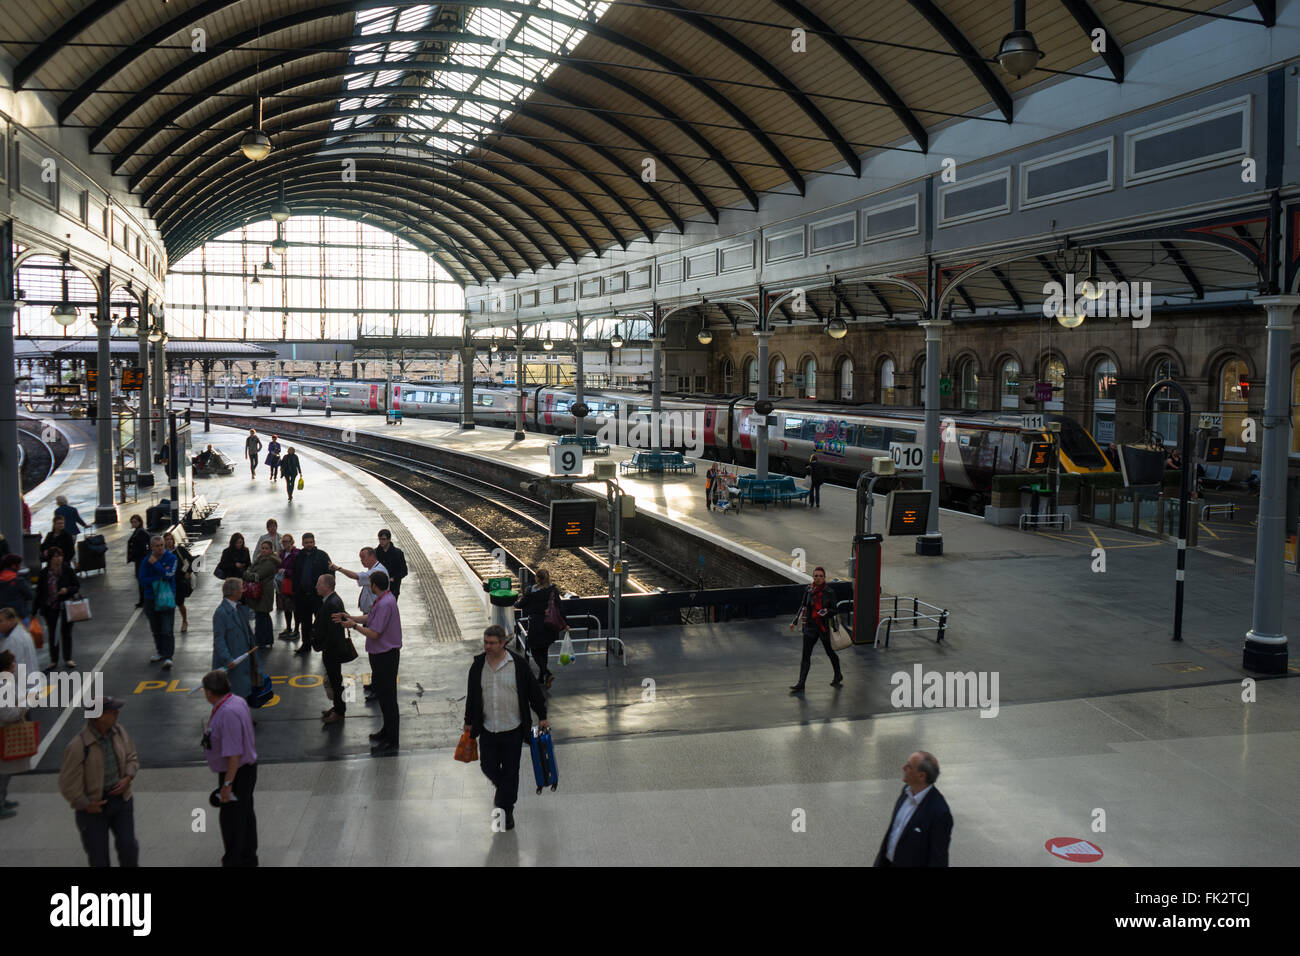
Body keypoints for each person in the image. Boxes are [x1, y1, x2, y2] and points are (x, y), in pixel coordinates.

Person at [462, 624, 549, 831]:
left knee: (511, 771)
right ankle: (505, 791)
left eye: (492, 643)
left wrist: (542, 715)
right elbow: (472, 696)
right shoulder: (478, 666)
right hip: (488, 728)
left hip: (513, 729)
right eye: (485, 642)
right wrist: (468, 721)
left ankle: (506, 810)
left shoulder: (517, 664)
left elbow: (533, 692)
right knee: (487, 766)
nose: (487, 646)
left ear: (503, 643)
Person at [57, 697, 140, 867]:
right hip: (93, 809)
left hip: (121, 801)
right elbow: (67, 783)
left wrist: (128, 777)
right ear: (98, 716)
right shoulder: (78, 746)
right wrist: (86, 804)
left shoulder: (119, 732)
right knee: (98, 857)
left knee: (128, 847)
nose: (117, 713)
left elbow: (132, 757)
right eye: (112, 711)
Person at [334, 571, 401, 752]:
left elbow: (374, 633)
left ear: (374, 585)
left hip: (385, 656)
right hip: (380, 654)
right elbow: (370, 618)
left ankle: (392, 739)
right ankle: (386, 731)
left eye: (370, 583)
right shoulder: (384, 599)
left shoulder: (385, 604)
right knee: (384, 697)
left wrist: (353, 626)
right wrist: (350, 617)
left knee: (388, 699)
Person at [201, 669, 258, 867]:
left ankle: (236, 859)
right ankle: (249, 856)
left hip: (236, 773)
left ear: (209, 692)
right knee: (245, 813)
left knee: (232, 819)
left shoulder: (227, 713)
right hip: (244, 770)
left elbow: (234, 755)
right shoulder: (236, 701)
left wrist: (227, 785)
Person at [874, 751, 953, 868]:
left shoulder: (940, 813)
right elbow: (893, 833)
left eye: (909, 766)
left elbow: (938, 858)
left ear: (921, 775)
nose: (903, 768)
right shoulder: (906, 791)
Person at [788, 566, 842, 693]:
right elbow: (803, 606)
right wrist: (794, 621)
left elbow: (835, 610)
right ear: (813, 577)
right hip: (810, 627)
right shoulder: (808, 590)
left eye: (820, 576)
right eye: (816, 576)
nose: (818, 578)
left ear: (824, 578)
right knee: (806, 655)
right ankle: (801, 683)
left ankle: (838, 674)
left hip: (824, 627)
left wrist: (826, 611)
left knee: (830, 652)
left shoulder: (829, 592)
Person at [514, 567, 562, 690]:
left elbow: (521, 604)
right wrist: (565, 624)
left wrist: (514, 602)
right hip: (550, 625)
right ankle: (541, 678)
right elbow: (560, 608)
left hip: (536, 624)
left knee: (534, 650)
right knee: (544, 651)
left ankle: (547, 673)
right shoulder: (553, 590)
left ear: (537, 578)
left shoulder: (532, 590)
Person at [314, 574, 349, 725]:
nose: (316, 587)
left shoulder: (331, 604)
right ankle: (337, 707)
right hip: (332, 648)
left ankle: (339, 711)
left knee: (335, 681)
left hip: (332, 649)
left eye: (318, 584)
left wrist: (323, 645)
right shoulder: (332, 600)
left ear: (326, 587)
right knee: (335, 679)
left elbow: (332, 631)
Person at [36, 549, 80, 670]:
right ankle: (54, 660)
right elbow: (39, 592)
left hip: (65, 606)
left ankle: (68, 658)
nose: (59, 559)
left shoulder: (67, 570)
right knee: (52, 634)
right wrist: (35, 610)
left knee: (66, 633)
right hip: (50, 608)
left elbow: (76, 586)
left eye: (60, 556)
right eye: (56, 556)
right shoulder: (44, 573)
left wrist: (67, 590)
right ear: (50, 559)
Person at [212, 578, 256, 698]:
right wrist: (228, 659)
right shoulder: (221, 613)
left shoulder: (239, 609)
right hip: (232, 664)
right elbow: (218, 639)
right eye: (241, 588)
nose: (243, 590)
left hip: (241, 664)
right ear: (233, 591)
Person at [138, 535, 177, 669]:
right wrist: (157, 579)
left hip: (166, 598)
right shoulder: (145, 561)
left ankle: (168, 656)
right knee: (156, 628)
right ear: (152, 547)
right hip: (151, 599)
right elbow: (142, 580)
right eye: (157, 546)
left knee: (167, 629)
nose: (160, 548)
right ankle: (160, 652)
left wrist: (156, 564)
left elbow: (168, 576)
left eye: (162, 545)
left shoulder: (171, 558)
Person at [290, 533, 331, 655]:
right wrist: (295, 592)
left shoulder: (322, 556)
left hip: (318, 597)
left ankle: (324, 645)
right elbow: (295, 575)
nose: (309, 544)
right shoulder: (298, 557)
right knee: (305, 622)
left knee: (322, 622)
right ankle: (306, 644)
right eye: (306, 542)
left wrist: (327, 593)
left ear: (314, 542)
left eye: (311, 542)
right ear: (302, 543)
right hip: (302, 596)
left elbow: (330, 575)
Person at [0, 650, 27, 818]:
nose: (15, 666)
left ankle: (2, 798)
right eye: (12, 663)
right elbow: (7, 713)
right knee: (3, 770)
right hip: (4, 731)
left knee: (6, 770)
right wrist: (23, 707)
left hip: (5, 730)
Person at [243, 541, 279, 650]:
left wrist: (247, 574)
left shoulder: (270, 562)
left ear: (271, 550)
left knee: (262, 617)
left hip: (264, 593)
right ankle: (265, 639)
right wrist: (250, 573)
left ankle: (261, 640)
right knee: (262, 616)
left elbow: (257, 575)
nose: (263, 550)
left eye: (266, 548)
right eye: (262, 548)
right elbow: (251, 570)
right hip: (260, 592)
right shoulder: (260, 559)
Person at [331, 547, 386, 615]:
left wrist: (338, 568)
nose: (361, 560)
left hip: (375, 612)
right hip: (372, 610)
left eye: (363, 557)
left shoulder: (376, 571)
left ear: (372, 556)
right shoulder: (374, 569)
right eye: (360, 558)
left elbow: (356, 576)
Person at [164, 530, 195, 634]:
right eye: (166, 540)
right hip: (167, 582)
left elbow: (192, 560)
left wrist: (189, 571)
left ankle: (184, 621)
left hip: (179, 580)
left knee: (180, 603)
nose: (169, 541)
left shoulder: (180, 550)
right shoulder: (163, 554)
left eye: (170, 539)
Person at [0, 608, 39, 682]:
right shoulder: (22, 631)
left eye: (0, 621)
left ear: (11, 620)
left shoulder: (13, 639)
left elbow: (15, 666)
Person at [276, 533, 300, 642]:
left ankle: (296, 630)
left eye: (287, 541)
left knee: (295, 608)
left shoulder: (296, 554)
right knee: (286, 608)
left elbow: (297, 570)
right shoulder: (281, 554)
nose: (285, 544)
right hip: (283, 584)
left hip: (293, 585)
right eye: (283, 542)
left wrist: (286, 571)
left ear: (292, 542)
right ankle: (289, 627)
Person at [126, 514, 150, 608]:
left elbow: (145, 544)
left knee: (141, 579)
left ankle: (143, 600)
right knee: (140, 580)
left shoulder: (140, 532)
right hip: (139, 559)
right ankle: (143, 600)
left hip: (141, 560)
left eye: (135, 522)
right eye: (132, 522)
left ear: (139, 522)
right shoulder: (139, 531)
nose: (133, 523)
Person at [375, 529, 407, 600]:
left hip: (393, 588)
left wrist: (394, 578)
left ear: (389, 539)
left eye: (383, 539)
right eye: (379, 539)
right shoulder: (375, 553)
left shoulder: (398, 553)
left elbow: (404, 571)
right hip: (378, 589)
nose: (381, 541)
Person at [0, 554, 34, 621]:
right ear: (13, 566)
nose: (20, 567)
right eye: (19, 565)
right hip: (19, 615)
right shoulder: (18, 580)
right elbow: (30, 595)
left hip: (2, 617)